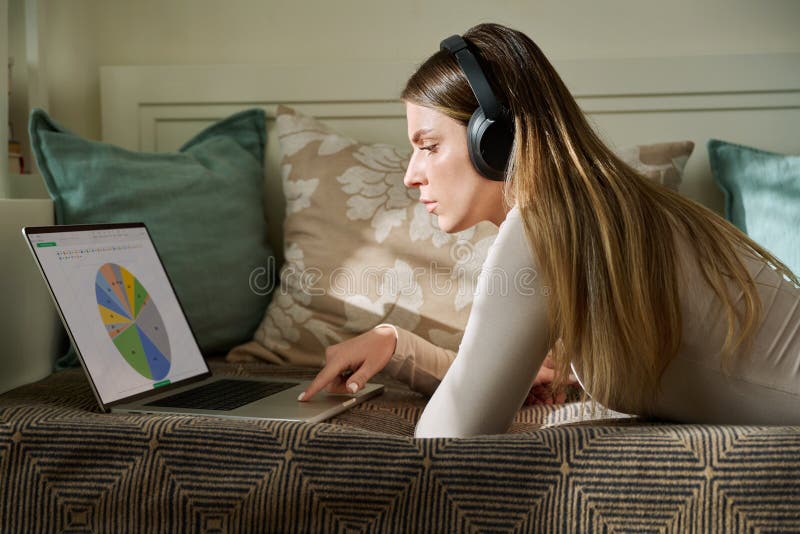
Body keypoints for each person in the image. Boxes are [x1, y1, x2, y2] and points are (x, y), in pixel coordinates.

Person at [297, 22, 800, 437]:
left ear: (493, 140)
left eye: (428, 145)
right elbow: (499, 371)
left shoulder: (545, 226)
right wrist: (397, 344)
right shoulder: (595, 211)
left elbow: (449, 440)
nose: (411, 174)